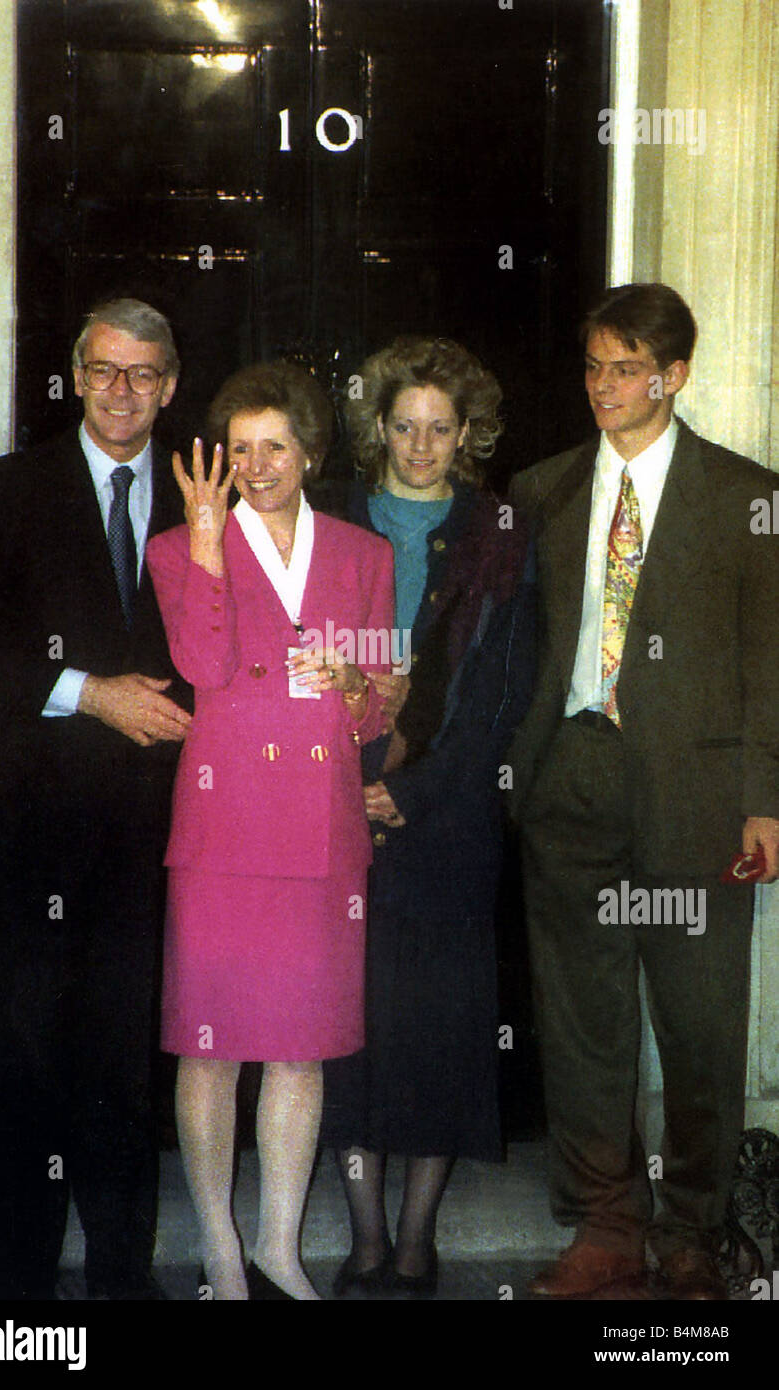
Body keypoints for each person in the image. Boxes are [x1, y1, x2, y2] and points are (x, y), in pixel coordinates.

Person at [509, 282, 779, 1300]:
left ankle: (695, 1235)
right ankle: (605, 1227)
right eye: (593, 366)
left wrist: (766, 801)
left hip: (698, 794)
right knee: (581, 1020)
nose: (603, 386)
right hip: (570, 777)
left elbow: (769, 665)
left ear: (672, 375)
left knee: (701, 1022)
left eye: (625, 367)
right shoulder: (541, 492)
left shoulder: (748, 497)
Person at [0, 298, 193, 1300]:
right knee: (28, 1069)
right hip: (31, 826)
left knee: (126, 1073)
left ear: (170, 383)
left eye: (143, 373)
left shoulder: (201, 490)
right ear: (77, 376)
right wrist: (90, 693)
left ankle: (124, 1284)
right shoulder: (10, 487)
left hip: (159, 827)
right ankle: (22, 1289)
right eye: (103, 370)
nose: (122, 392)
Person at [146, 361, 394, 1301]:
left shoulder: (367, 556)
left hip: (321, 834)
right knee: (209, 1048)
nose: (256, 465)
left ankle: (279, 1249)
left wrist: (359, 689)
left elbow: (376, 718)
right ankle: (219, 1250)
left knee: (299, 1045)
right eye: (240, 448)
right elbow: (203, 663)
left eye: (275, 446)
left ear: (310, 451)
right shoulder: (179, 550)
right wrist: (210, 541)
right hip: (222, 832)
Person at [319, 336, 536, 1296]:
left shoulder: (497, 527)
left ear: (467, 435)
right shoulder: (332, 516)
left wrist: (411, 788)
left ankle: (414, 1243)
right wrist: (342, 786)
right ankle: (364, 1241)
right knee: (346, 1034)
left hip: (447, 819)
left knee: (439, 1036)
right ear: (378, 428)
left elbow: (498, 691)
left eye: (439, 430)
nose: (419, 446)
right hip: (327, 814)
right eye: (403, 426)